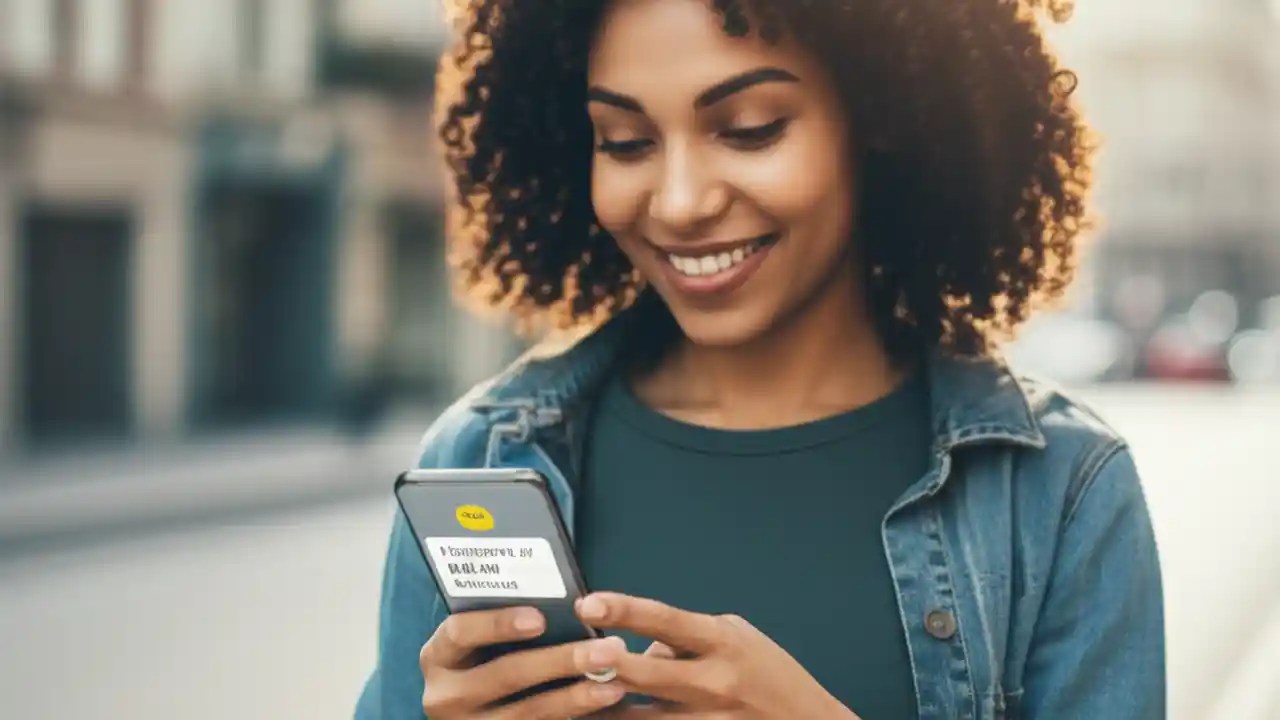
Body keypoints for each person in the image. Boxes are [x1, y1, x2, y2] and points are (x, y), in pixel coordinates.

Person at [355, 0, 1165, 718]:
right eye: (626, 141)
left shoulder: (1059, 491)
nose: (679, 201)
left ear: (884, 115)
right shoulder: (483, 456)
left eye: (749, 130)